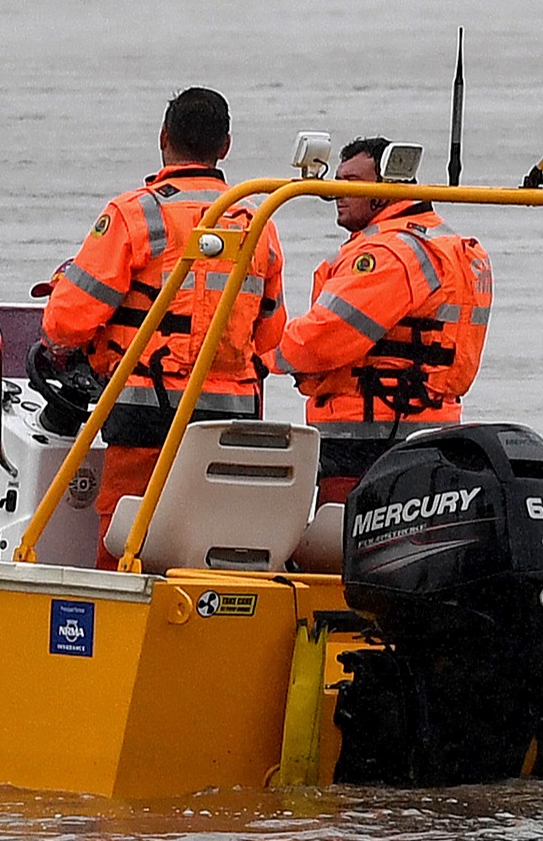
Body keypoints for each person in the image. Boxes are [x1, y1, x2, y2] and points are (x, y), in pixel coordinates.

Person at [36, 85, 285, 526]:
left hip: (145, 411)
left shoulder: (137, 214)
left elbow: (66, 322)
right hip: (230, 418)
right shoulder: (258, 225)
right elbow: (270, 335)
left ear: (162, 136)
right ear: (225, 147)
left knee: (126, 532)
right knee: (212, 534)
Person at [277, 135, 493, 500]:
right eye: (338, 180)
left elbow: (326, 335)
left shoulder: (388, 252)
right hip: (432, 429)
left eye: (352, 183)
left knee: (340, 545)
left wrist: (266, 354)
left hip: (367, 437)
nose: (337, 193)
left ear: (387, 188)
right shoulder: (450, 245)